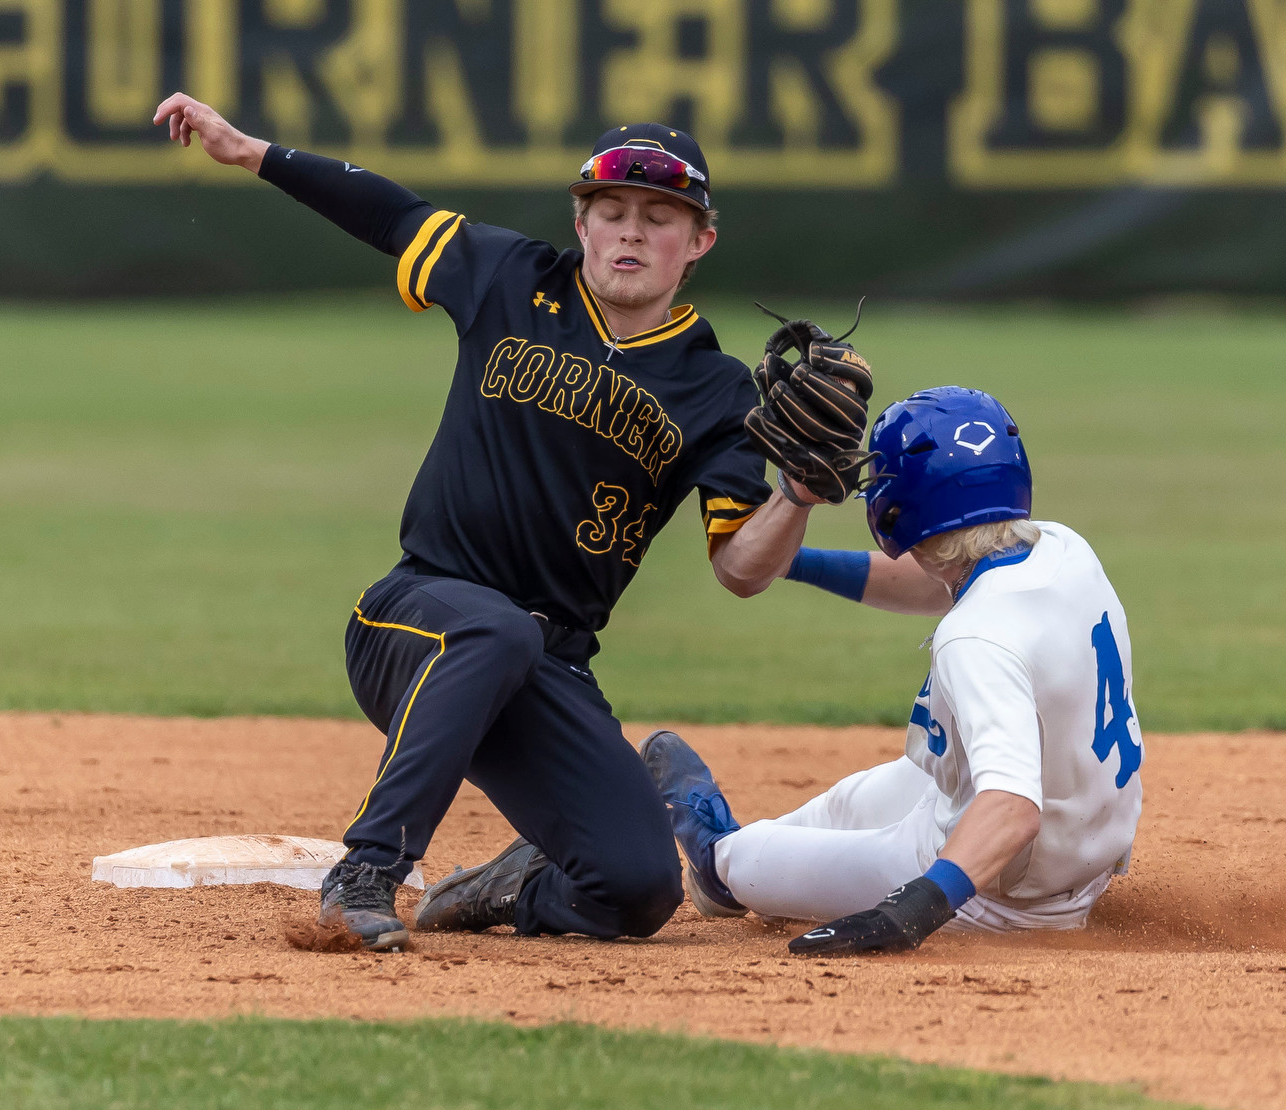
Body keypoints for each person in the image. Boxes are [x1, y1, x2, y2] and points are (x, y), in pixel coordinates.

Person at [151, 97, 849, 950]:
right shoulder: (511, 278)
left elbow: (741, 568)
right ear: (582, 225)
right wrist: (250, 151)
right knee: (494, 628)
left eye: (660, 216)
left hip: (550, 665)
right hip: (414, 619)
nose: (631, 232)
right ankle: (366, 871)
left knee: (635, 890)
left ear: (699, 241)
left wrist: (798, 493)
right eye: (612, 211)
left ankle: (509, 886)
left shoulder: (717, 390)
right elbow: (391, 215)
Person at [643, 386, 1145, 955]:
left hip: (996, 898)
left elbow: (1011, 807)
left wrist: (912, 909)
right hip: (1080, 851)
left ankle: (720, 866)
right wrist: (787, 562)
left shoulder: (974, 638)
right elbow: (941, 582)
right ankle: (782, 853)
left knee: (748, 861)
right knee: (856, 801)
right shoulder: (1061, 548)